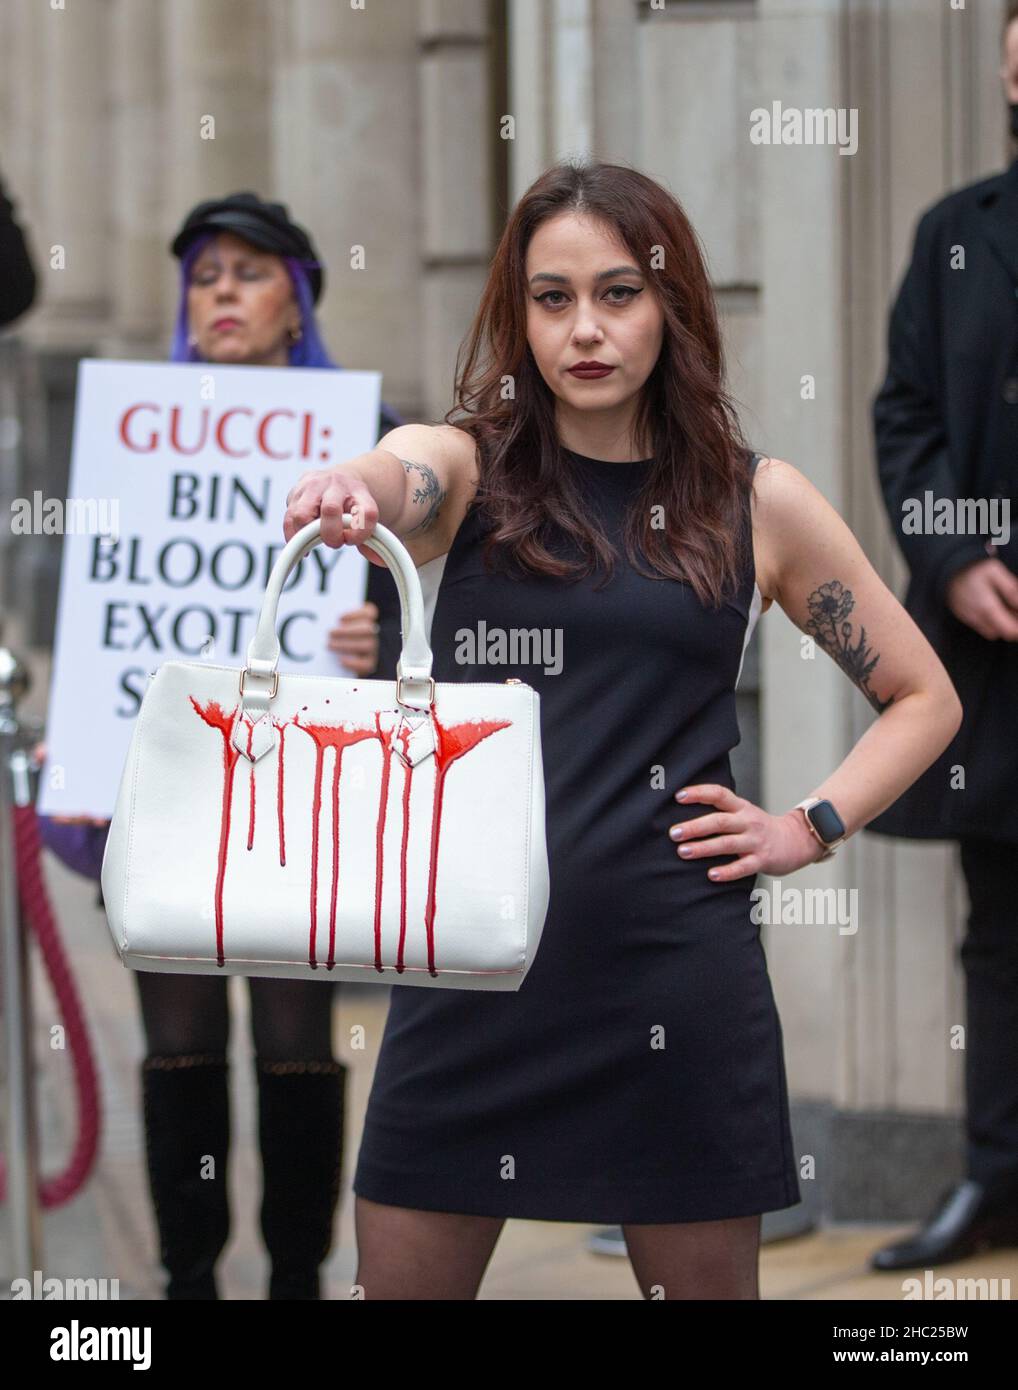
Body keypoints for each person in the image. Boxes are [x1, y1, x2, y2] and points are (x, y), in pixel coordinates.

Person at [282, 158, 963, 1300]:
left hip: (672, 979)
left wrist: (807, 824)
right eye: (551, 299)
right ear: (519, 314)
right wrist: (353, 485)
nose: (583, 330)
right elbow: (405, 468)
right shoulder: (474, 469)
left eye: (617, 293)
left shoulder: (757, 501)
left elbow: (925, 695)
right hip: (467, 979)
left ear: (671, 305)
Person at [39, 192, 399, 1299]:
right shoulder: (131, 436)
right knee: (179, 1042)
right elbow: (106, 611)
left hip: (297, 793)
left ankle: (296, 1275)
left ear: (296, 303)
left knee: (297, 1043)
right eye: (205, 276)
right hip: (170, 792)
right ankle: (184, 1278)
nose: (222, 294)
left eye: (248, 273)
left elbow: (415, 617)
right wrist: (85, 738)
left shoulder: (362, 452)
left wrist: (370, 641)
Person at [865, 4, 1018, 1271]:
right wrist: (954, 556)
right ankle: (997, 1177)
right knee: (1001, 926)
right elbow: (905, 411)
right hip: (998, 649)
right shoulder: (953, 233)